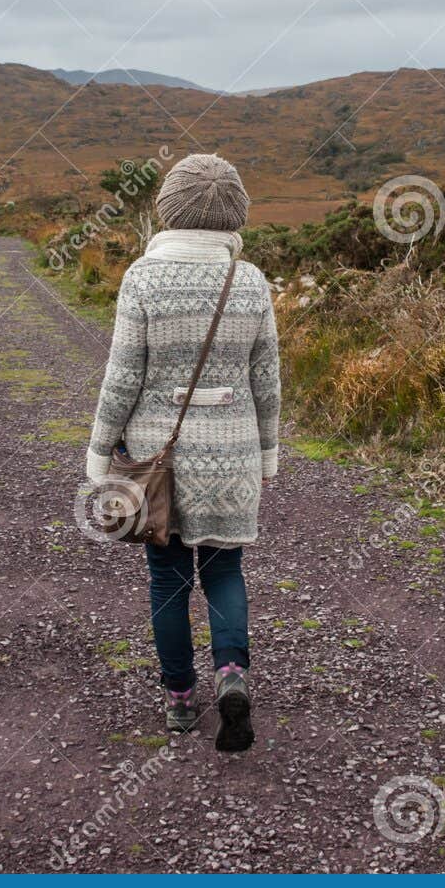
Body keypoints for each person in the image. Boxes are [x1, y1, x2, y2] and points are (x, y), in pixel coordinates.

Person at [85, 153, 280, 752]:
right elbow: (267, 380)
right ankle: (232, 678)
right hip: (235, 454)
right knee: (224, 570)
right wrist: (268, 454)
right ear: (233, 212)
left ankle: (177, 702)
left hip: (159, 462)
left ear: (168, 208)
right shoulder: (249, 281)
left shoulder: (142, 279)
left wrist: (98, 455)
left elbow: (122, 378)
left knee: (167, 579)